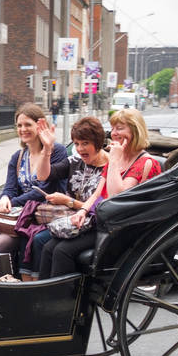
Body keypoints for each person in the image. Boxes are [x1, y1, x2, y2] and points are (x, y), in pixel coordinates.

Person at [45, 109, 164, 278]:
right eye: (113, 128)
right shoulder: (117, 158)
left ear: (135, 130)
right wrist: (83, 211)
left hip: (122, 228)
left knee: (63, 251)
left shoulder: (146, 163)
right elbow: (97, 195)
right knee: (49, 247)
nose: (114, 133)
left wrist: (114, 159)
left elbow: (118, 197)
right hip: (103, 222)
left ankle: (65, 303)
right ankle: (41, 300)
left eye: (120, 128)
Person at [0, 103, 68, 279]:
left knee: (1, 242)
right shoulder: (17, 157)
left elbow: (43, 190)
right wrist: (4, 198)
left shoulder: (56, 152)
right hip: (16, 215)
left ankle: (6, 283)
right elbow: (9, 187)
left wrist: (11, 202)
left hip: (40, 215)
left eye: (28, 125)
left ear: (40, 126)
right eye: (19, 125)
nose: (23, 129)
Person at [26, 115, 108, 281]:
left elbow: (101, 209)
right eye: (76, 144)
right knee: (46, 245)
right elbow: (42, 175)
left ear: (98, 142)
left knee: (60, 250)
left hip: (96, 225)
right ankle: (44, 294)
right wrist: (47, 148)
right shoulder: (75, 161)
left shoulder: (110, 167)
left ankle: (63, 301)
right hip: (72, 223)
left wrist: (68, 201)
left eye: (85, 143)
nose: (80, 148)